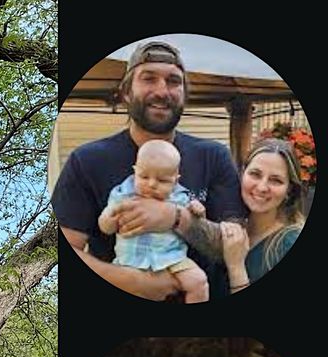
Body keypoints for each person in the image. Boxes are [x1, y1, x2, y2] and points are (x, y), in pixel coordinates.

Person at [52, 39, 247, 301]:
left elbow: (234, 246)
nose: (162, 91)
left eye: (173, 81)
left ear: (184, 95)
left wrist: (177, 218)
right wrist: (134, 282)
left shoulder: (214, 156)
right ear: (126, 92)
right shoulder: (87, 161)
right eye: (149, 78)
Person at [185, 139, 306, 293]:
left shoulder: (289, 242)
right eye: (255, 174)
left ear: (289, 190)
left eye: (276, 180)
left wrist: (236, 267)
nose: (262, 187)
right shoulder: (228, 224)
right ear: (242, 174)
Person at [97, 138, 209, 303]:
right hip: (129, 260)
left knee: (199, 282)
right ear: (135, 171)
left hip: (172, 258)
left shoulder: (181, 197)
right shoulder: (122, 194)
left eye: (162, 180)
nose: (151, 184)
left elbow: (196, 227)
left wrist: (198, 211)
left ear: (176, 180)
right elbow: (105, 228)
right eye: (144, 177)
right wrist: (109, 219)